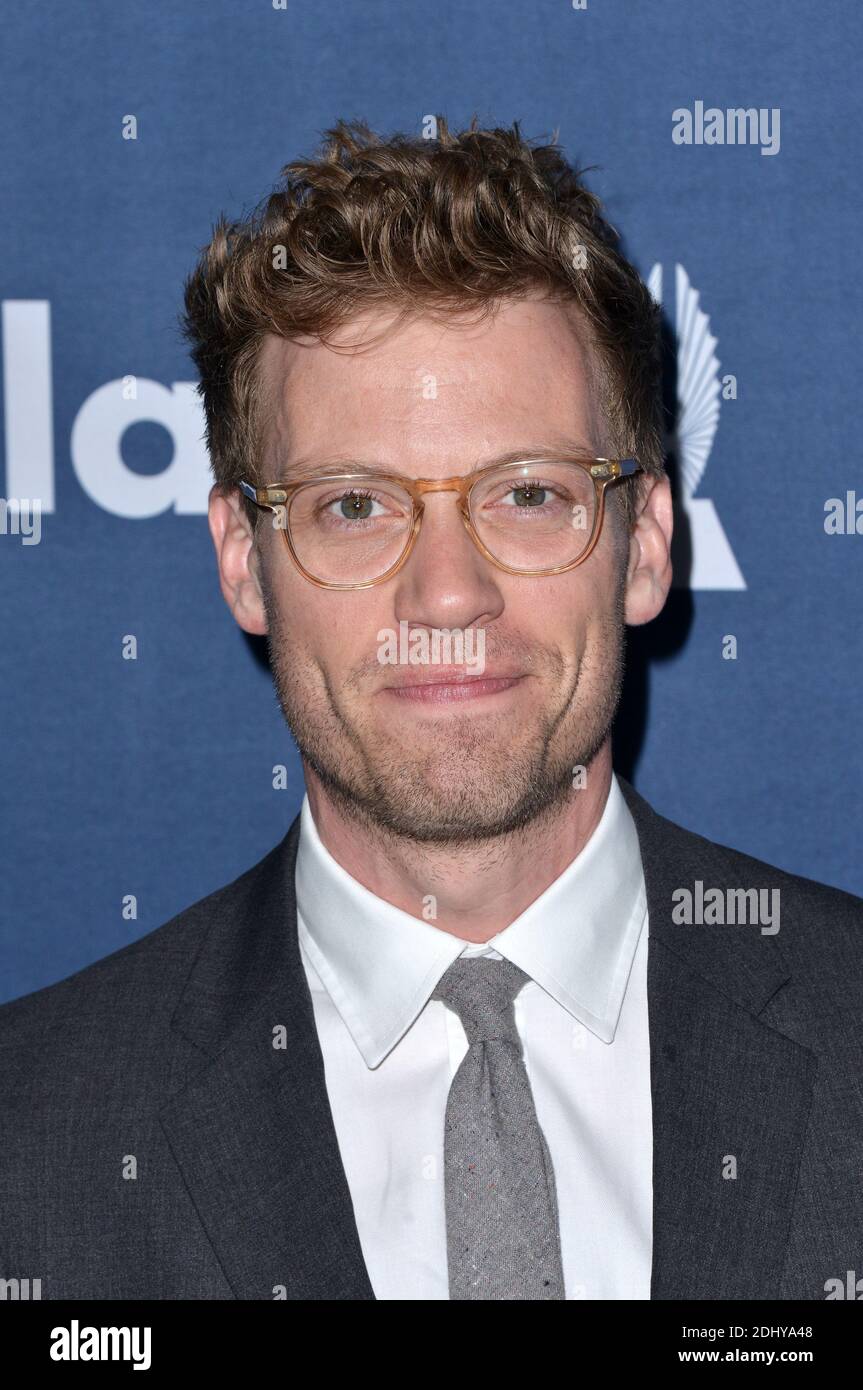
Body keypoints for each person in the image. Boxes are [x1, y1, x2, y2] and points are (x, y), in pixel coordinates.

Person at [1, 118, 861, 1302]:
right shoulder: (29, 1138)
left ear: (646, 546)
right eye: (353, 506)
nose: (446, 592)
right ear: (244, 563)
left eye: (526, 493)